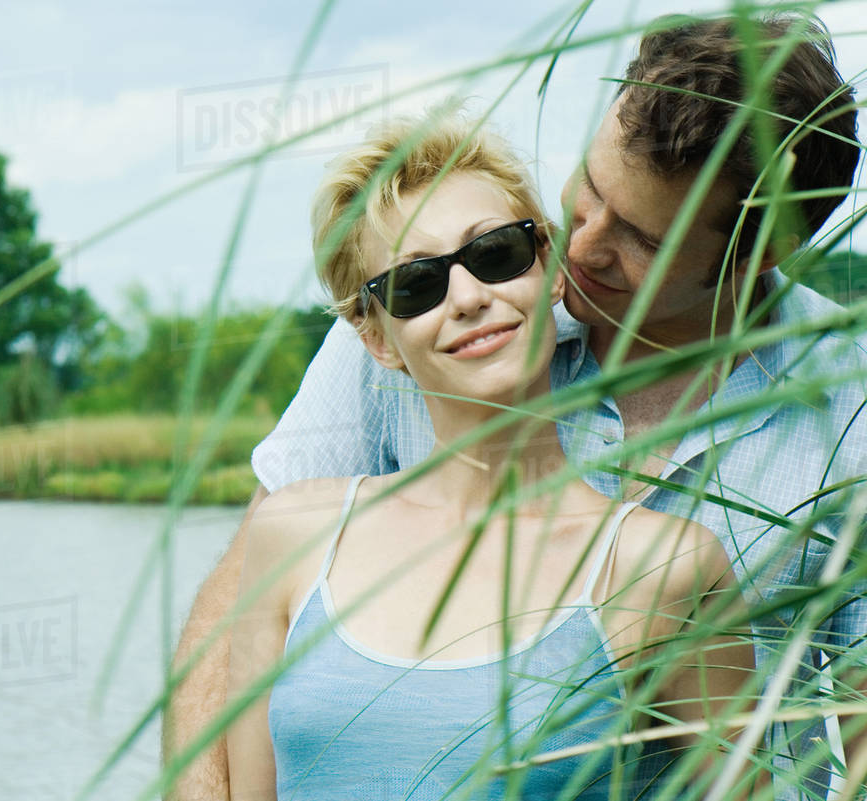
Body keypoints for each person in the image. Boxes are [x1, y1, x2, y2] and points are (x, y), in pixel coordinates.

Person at [164, 12, 866, 801]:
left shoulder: (853, 409)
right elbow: (239, 622)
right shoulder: (412, 319)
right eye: (588, 191)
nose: (583, 246)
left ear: (762, 251)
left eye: (641, 238)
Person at [225, 109, 758, 799]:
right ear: (378, 339)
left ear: (551, 268)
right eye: (416, 284)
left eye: (495, 253)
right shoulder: (295, 536)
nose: (469, 298)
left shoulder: (662, 568)